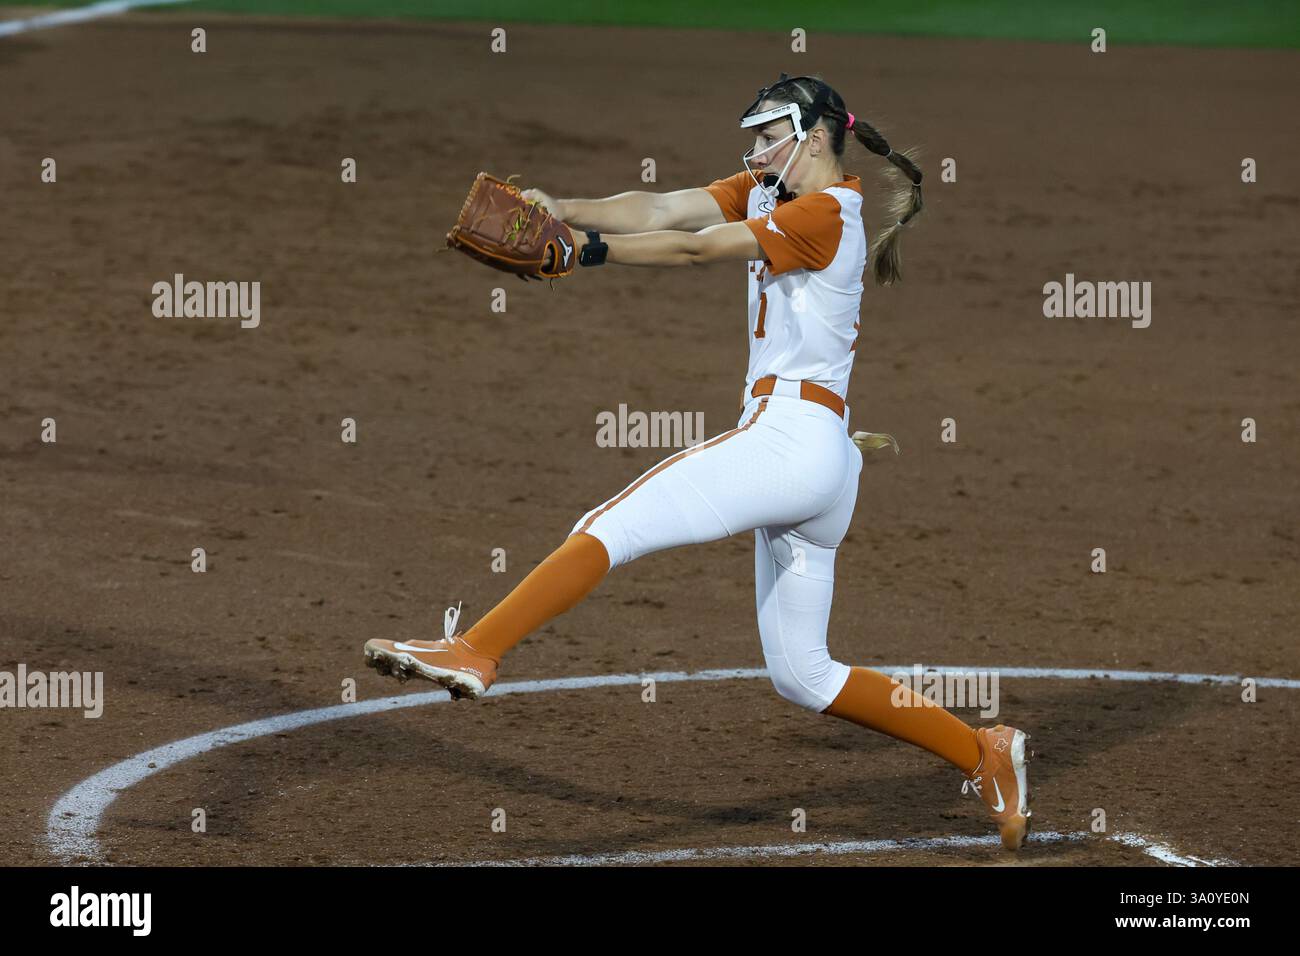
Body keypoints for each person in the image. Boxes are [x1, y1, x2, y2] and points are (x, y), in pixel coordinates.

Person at [365, 74, 1031, 849]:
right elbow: (662, 208)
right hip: (822, 466)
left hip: (789, 443)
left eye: (766, 135)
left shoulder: (826, 210)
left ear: (815, 136)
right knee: (803, 673)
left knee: (612, 523)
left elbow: (691, 249)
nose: (752, 151)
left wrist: (587, 253)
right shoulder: (765, 188)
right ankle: (982, 752)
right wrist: (564, 208)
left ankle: (475, 648)